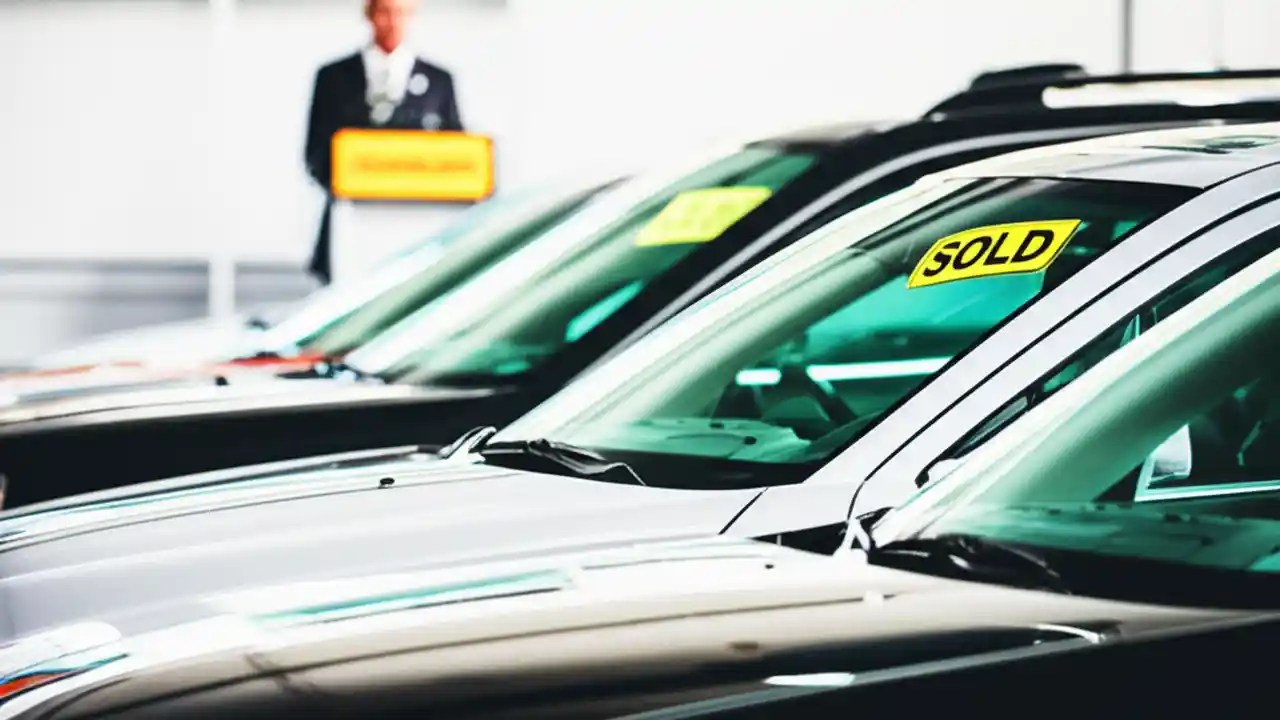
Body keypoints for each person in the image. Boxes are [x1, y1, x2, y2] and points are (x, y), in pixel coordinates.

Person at [304, 0, 465, 285]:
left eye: (401, 13)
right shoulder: (334, 78)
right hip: (353, 224)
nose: (392, 22)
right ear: (370, 15)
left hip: (420, 226)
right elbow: (315, 152)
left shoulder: (438, 81)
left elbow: (457, 154)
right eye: (385, 13)